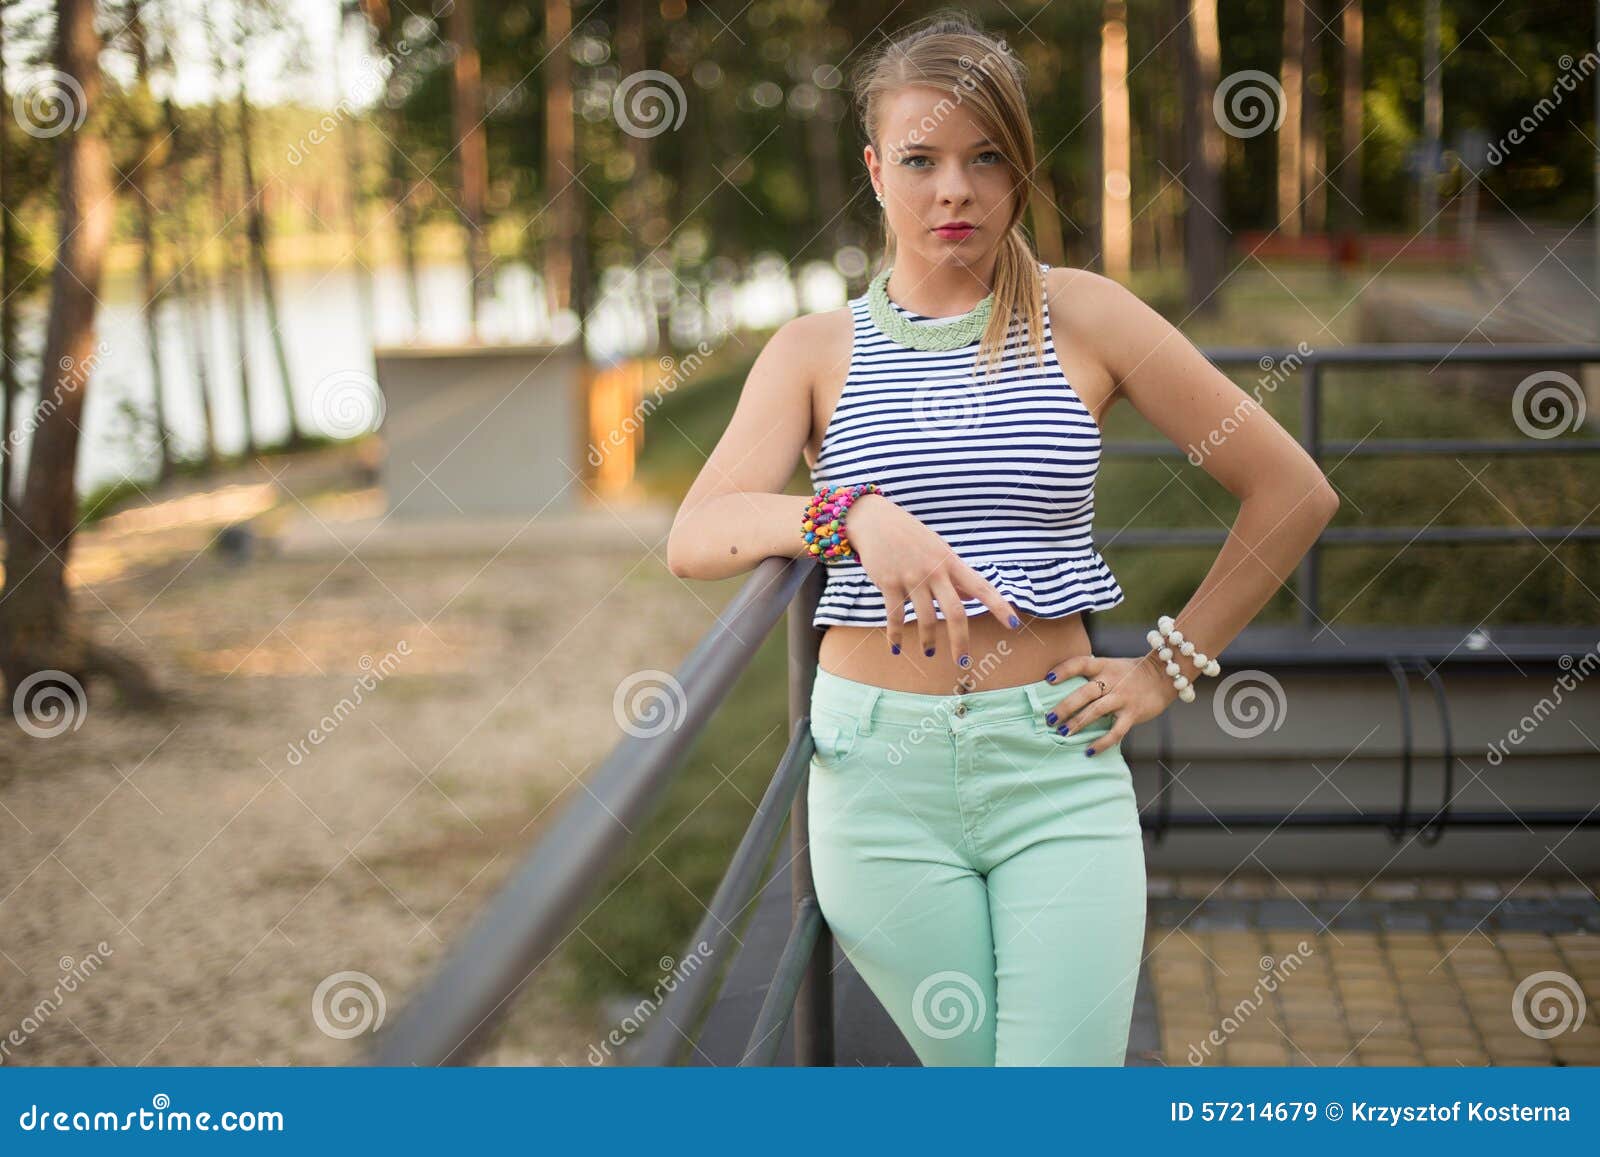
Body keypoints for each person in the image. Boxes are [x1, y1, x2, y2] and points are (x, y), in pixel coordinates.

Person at [666, 9, 1338, 1066]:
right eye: (920, 159)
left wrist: (1167, 666)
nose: (955, 190)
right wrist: (849, 514)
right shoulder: (813, 350)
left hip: (1054, 765)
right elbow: (698, 532)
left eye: (986, 158)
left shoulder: (1088, 316)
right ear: (874, 169)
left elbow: (1290, 490)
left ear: (1020, 171)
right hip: (877, 783)